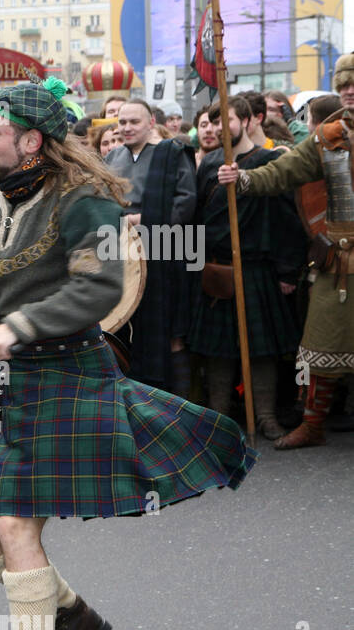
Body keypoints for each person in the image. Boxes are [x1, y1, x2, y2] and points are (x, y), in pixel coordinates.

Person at [0, 78, 256, 630]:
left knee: (12, 525)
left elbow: (97, 286)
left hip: (69, 372)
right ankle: (74, 618)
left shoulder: (84, 201)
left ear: (32, 140)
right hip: (13, 383)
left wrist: (19, 326)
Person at [215, 53, 354, 449]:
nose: (349, 90)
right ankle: (312, 424)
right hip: (340, 260)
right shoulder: (327, 137)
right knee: (317, 346)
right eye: (343, 84)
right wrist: (243, 178)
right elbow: (283, 170)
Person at [190, 95, 304, 440]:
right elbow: (196, 219)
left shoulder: (270, 161)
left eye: (228, 120)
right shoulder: (209, 165)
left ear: (248, 121)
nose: (221, 128)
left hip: (257, 268)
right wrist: (194, 263)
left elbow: (286, 221)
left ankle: (266, 416)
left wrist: (287, 271)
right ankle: (220, 417)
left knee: (261, 350)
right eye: (215, 121)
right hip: (217, 268)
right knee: (218, 351)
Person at [105, 98, 197, 393]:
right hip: (120, 252)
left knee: (170, 333)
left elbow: (186, 202)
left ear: (151, 123)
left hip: (168, 250)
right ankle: (135, 402)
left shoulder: (173, 154)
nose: (127, 128)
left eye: (134, 122)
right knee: (126, 331)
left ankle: (178, 405)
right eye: (122, 122)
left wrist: (143, 219)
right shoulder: (112, 157)